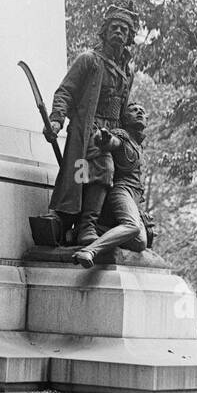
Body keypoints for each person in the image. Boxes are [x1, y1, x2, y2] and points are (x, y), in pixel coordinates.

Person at [44, 4, 138, 247]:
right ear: (105, 32)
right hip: (87, 129)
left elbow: (125, 106)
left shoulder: (127, 71)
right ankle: (84, 225)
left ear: (129, 37)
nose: (119, 32)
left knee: (98, 173)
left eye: (124, 29)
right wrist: (56, 120)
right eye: (114, 27)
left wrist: (133, 133)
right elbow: (65, 91)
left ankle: (87, 224)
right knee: (90, 172)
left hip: (113, 132)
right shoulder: (89, 60)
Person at [73, 102, 149, 268]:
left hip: (133, 197)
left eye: (142, 111)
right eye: (134, 110)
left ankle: (93, 230)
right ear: (124, 118)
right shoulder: (122, 135)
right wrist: (105, 140)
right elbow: (113, 142)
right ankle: (89, 251)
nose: (139, 112)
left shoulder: (140, 145)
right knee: (133, 226)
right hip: (121, 191)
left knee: (140, 242)